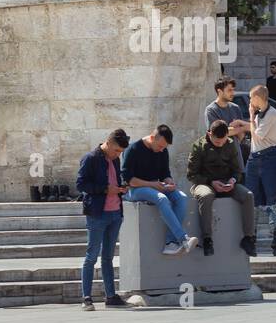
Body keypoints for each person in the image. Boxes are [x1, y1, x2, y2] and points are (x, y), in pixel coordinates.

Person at [121, 124, 197, 256]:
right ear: (152, 138)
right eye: (160, 146)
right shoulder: (133, 149)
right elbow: (129, 180)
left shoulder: (162, 151)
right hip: (135, 190)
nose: (162, 150)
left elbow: (165, 173)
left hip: (155, 187)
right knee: (161, 198)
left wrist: (169, 181)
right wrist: (152, 184)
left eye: (165, 147)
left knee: (182, 197)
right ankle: (183, 238)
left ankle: (170, 243)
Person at [186, 120, 256, 256]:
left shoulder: (230, 144)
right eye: (217, 142)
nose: (220, 144)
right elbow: (191, 175)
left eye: (222, 141)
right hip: (204, 183)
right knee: (206, 196)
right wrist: (211, 182)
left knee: (248, 195)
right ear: (209, 134)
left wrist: (232, 180)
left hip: (227, 183)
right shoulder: (198, 146)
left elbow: (238, 171)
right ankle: (207, 239)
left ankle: (248, 238)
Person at [76, 130, 130, 308]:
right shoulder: (90, 158)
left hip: (115, 212)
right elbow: (81, 184)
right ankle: (86, 298)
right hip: (97, 214)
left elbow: (115, 179)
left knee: (108, 257)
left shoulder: (114, 159)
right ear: (108, 143)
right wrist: (106, 190)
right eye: (116, 150)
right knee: (91, 256)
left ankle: (111, 296)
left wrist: (122, 188)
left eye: (120, 152)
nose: (118, 154)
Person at [244, 85, 276, 256]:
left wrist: (250, 116)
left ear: (258, 97)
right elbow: (253, 132)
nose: (250, 102)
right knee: (252, 200)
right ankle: (251, 242)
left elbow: (258, 134)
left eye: (251, 98)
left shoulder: (272, 113)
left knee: (275, 202)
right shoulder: (260, 114)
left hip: (269, 157)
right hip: (255, 158)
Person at [206, 76, 250, 163]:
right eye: (229, 90)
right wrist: (242, 128)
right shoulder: (211, 110)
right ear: (219, 91)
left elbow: (241, 135)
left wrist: (237, 130)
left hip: (237, 159)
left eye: (233, 90)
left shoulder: (236, 108)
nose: (233, 93)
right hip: (219, 160)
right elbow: (219, 132)